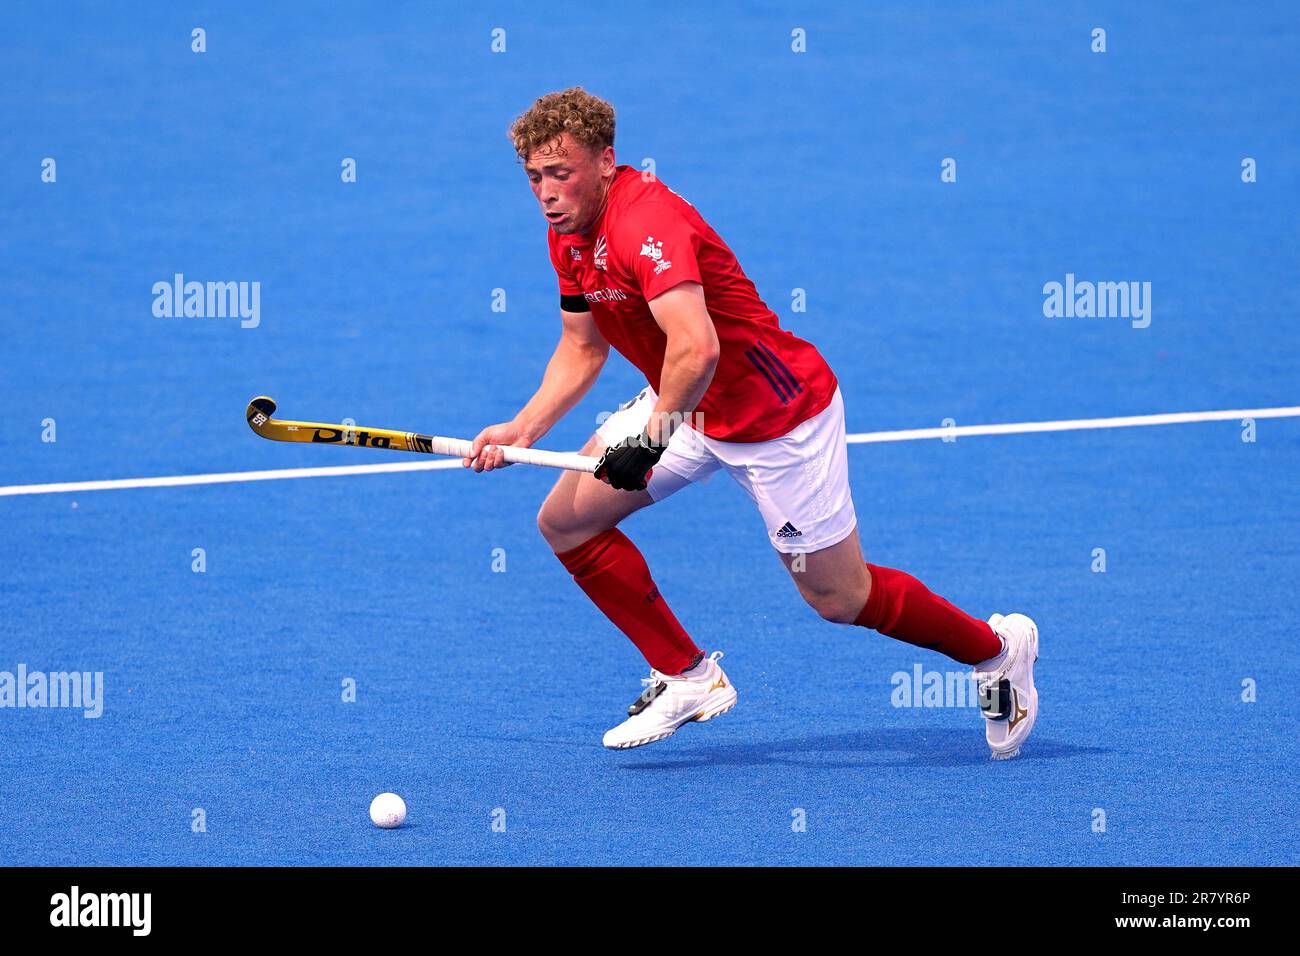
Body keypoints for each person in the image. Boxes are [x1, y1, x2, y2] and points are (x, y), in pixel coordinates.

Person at [463, 87, 1038, 758]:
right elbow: (583, 346)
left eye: (559, 173)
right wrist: (525, 425)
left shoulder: (645, 225)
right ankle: (687, 676)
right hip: (686, 404)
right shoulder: (568, 236)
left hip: (775, 417)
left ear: (606, 162)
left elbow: (697, 347)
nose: (545, 191)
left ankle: (998, 651)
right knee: (566, 522)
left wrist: (650, 442)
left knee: (839, 598)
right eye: (533, 176)